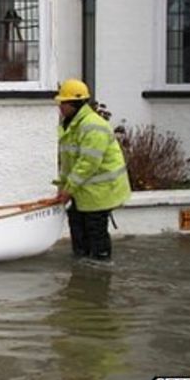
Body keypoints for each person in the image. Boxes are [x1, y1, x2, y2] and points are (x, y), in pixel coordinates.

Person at [53, 79, 131, 260]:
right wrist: (63, 188)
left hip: (101, 192)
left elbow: (88, 163)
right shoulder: (70, 125)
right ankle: (83, 265)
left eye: (63, 103)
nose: (60, 107)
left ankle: (100, 266)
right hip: (83, 190)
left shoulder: (93, 126)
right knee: (78, 228)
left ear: (74, 104)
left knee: (95, 232)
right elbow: (68, 163)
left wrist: (68, 190)